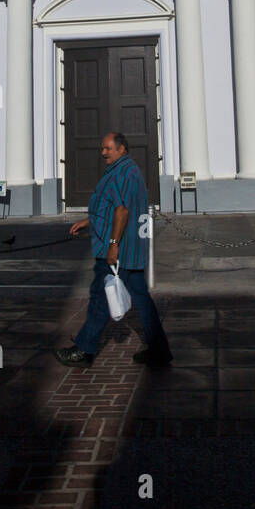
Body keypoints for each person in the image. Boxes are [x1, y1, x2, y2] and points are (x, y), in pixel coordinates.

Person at [54, 132, 173, 368]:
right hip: (132, 251)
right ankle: (159, 350)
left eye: (108, 148)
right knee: (141, 298)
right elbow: (111, 207)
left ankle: (84, 349)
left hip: (120, 250)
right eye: (102, 148)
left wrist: (113, 245)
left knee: (100, 299)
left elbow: (122, 211)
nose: (103, 153)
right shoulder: (130, 172)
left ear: (122, 149)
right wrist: (88, 222)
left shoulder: (120, 173)